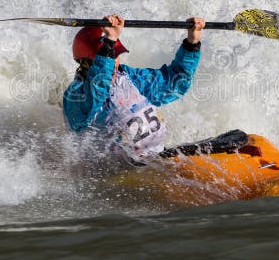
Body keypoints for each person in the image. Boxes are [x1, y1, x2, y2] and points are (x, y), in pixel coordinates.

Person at [63, 14, 205, 164]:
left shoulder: (129, 76)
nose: (115, 61)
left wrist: (192, 43)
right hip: (113, 174)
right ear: (86, 62)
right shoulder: (75, 95)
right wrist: (109, 43)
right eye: (111, 54)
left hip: (157, 160)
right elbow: (97, 90)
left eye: (116, 55)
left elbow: (175, 82)